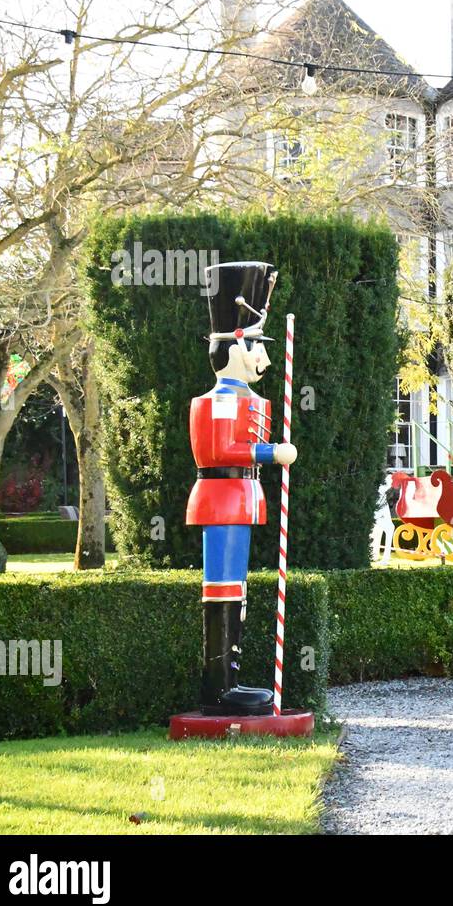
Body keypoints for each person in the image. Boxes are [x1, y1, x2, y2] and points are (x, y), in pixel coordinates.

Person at [186, 261, 297, 715]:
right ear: (234, 347)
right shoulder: (212, 404)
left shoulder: (248, 400)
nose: (264, 359)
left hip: (244, 499)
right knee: (223, 589)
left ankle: (230, 678)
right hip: (220, 499)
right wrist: (271, 454)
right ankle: (218, 686)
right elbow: (219, 451)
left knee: (239, 590)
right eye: (256, 348)